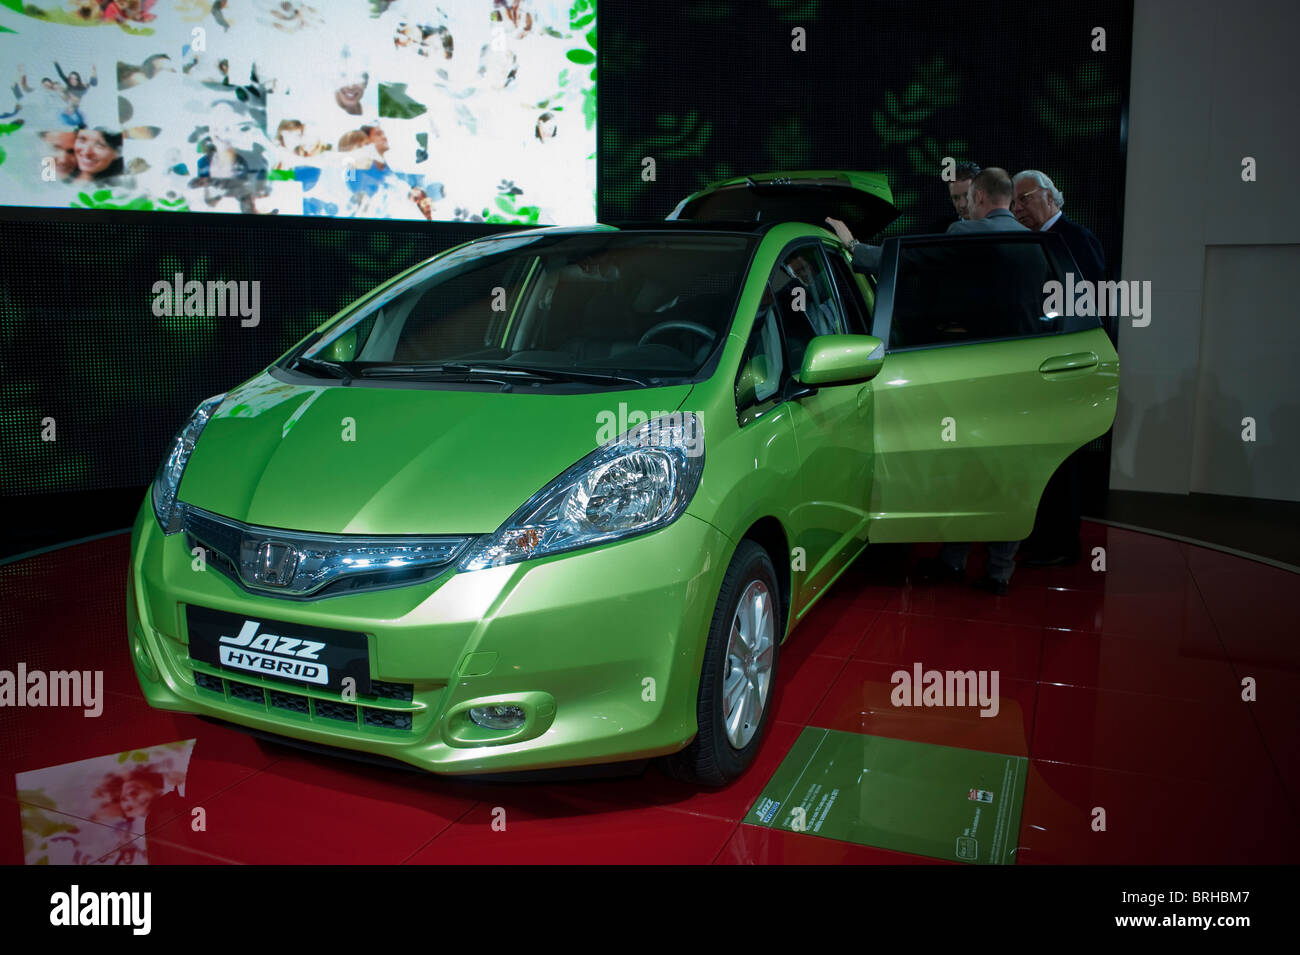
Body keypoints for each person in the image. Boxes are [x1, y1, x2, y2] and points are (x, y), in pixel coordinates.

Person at [1010, 169, 1108, 567]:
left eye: (1026, 198)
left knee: (1062, 459)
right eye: (1015, 201)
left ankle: (1062, 543)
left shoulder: (1075, 239)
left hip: (1066, 367)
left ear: (1051, 197)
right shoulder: (1035, 241)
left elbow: (1087, 305)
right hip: (1041, 367)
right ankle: (1042, 537)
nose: (1018, 208)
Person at [827, 166, 1026, 276]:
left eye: (969, 196)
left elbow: (908, 259)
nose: (964, 204)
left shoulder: (962, 233)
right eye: (956, 198)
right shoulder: (1034, 239)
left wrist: (854, 245)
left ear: (979, 196)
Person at [923, 160, 980, 232]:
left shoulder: (997, 227)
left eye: (967, 195)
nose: (963, 204)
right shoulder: (939, 230)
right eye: (956, 198)